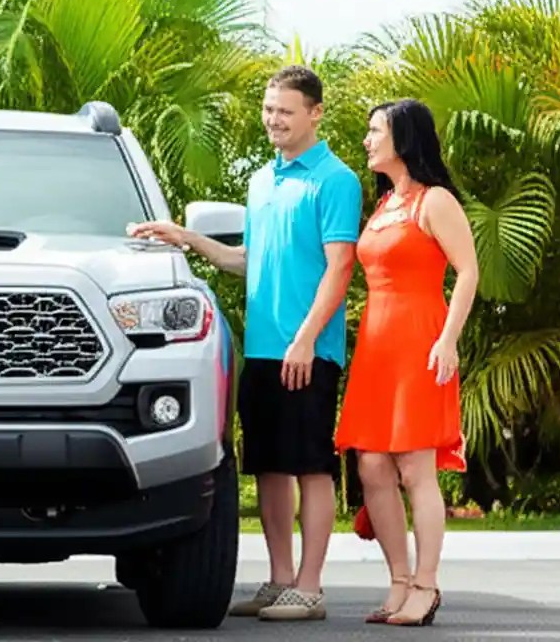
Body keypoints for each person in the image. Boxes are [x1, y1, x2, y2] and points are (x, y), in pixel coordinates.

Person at [130, 65, 362, 622]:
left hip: (307, 351)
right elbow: (247, 262)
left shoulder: (334, 180)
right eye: (268, 109)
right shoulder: (263, 181)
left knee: (311, 468)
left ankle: (310, 587)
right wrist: (187, 240)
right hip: (261, 349)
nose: (273, 120)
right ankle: (281, 580)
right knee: (270, 468)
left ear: (314, 113)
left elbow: (341, 268)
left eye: (285, 110)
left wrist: (305, 339)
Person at [334, 98, 477, 627]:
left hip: (421, 341)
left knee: (416, 466)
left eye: (375, 131)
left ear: (403, 137)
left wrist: (448, 339)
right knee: (371, 464)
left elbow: (468, 271)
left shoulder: (434, 201)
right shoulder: (385, 204)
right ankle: (397, 580)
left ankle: (427, 584)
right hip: (376, 346)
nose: (367, 140)